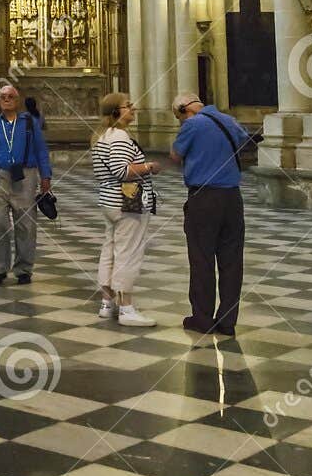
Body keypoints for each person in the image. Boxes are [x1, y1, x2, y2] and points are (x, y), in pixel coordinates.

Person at [170, 92, 250, 337]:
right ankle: (227, 321)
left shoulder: (193, 124)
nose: (181, 122)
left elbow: (175, 155)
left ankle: (202, 318)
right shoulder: (229, 120)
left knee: (202, 259)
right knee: (232, 261)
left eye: (178, 118)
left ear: (185, 109)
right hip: (232, 197)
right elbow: (244, 142)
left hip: (204, 198)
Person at [90, 93, 158, 327]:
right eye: (128, 106)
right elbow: (121, 171)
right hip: (126, 201)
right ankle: (126, 308)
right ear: (116, 112)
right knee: (129, 253)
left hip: (110, 201)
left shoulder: (104, 135)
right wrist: (149, 166)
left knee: (110, 251)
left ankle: (107, 304)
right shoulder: (119, 136)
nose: (133, 109)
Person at [0, 83, 53, 285]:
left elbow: (41, 151)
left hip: (26, 177)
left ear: (17, 101)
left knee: (26, 225)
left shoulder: (29, 124)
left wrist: (46, 177)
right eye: (3, 96)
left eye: (11, 96)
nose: (7, 99)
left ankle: (24, 269)